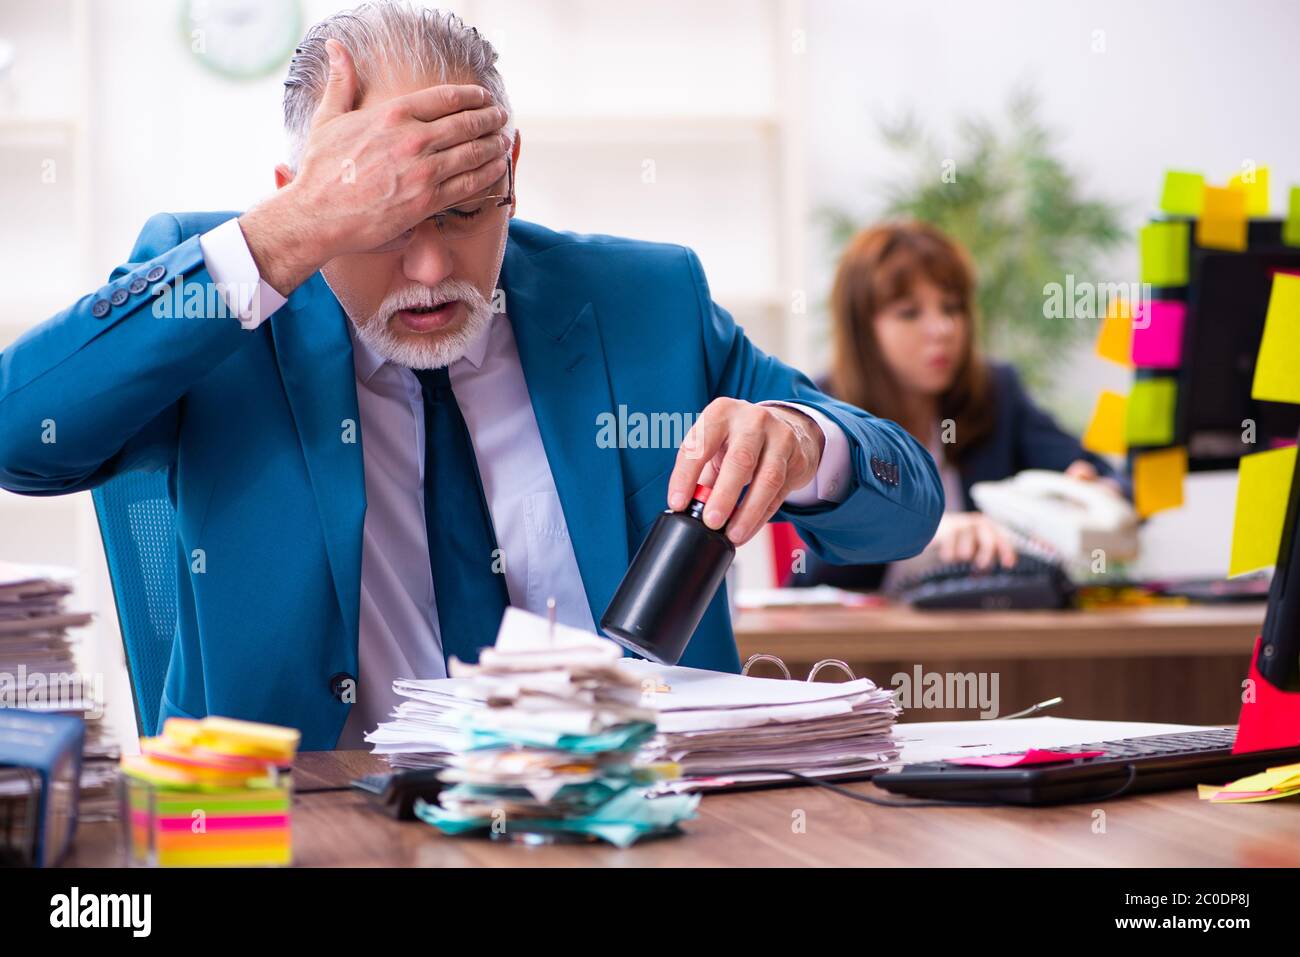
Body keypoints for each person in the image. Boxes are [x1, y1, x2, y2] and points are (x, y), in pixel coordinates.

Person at [0, 3, 942, 749]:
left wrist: (808, 444)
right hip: (318, 835)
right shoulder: (226, 293)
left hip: (629, 825)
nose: (427, 271)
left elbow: (906, 503)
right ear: (305, 197)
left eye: (459, 211)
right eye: (378, 222)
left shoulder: (643, 300)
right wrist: (283, 240)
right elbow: (18, 433)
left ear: (511, 172)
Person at [787, 220, 1125, 592]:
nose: (943, 329)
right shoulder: (823, 413)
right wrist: (926, 530)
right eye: (910, 313)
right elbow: (815, 575)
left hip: (980, 633)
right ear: (864, 329)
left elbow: (1107, 478)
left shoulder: (996, 392)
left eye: (952, 308)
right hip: (863, 642)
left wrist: (1098, 491)